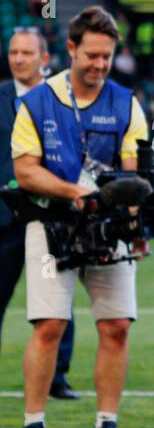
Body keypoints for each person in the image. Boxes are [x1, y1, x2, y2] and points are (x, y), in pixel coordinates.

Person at [11, 7, 149, 428]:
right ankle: (33, 425)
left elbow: (134, 174)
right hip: (52, 222)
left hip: (109, 229)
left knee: (117, 327)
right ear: (70, 49)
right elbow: (26, 171)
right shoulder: (36, 101)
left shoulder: (126, 103)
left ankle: (106, 426)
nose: (100, 65)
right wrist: (73, 191)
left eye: (107, 57)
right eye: (91, 55)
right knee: (50, 325)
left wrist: (132, 217)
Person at [0, 28, 78, 399]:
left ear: (44, 58)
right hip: (3, 220)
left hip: (49, 217)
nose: (18, 58)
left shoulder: (63, 100)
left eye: (26, 53)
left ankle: (57, 377)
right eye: (13, 52)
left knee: (57, 300)